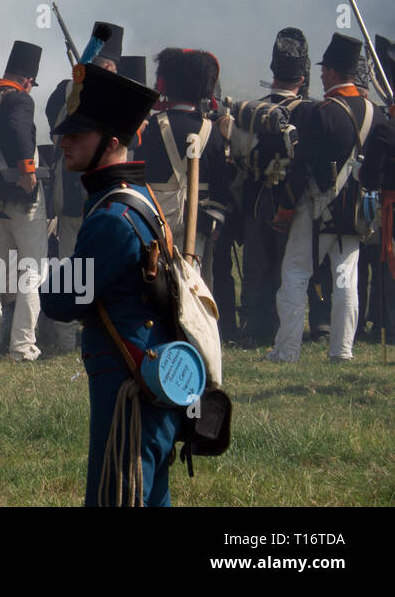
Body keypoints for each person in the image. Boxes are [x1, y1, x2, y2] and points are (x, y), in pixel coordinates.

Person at [44, 62, 182, 507]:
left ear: (113, 142)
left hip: (128, 384)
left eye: (78, 135)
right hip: (148, 374)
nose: (64, 142)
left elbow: (61, 301)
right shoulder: (137, 199)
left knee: (116, 497)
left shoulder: (111, 217)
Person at [270, 34, 376, 362]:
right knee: (346, 279)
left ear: (330, 72)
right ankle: (342, 350)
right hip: (355, 212)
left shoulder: (322, 112)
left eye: (324, 69)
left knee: (295, 274)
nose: (320, 75)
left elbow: (300, 170)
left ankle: (286, 352)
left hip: (317, 210)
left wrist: (286, 210)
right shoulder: (374, 113)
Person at [42, 23, 123, 356]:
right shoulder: (111, 92)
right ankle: (73, 336)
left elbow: (54, 130)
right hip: (98, 192)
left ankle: (69, 337)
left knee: (71, 261)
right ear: (107, 65)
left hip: (76, 191)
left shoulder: (64, 89)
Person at [226, 28, 310, 346]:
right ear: (301, 78)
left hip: (254, 198)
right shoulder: (309, 112)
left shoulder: (251, 112)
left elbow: (235, 157)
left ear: (273, 72)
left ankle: (252, 327)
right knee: (285, 269)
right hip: (291, 200)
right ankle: (279, 328)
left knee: (256, 266)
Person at [137, 49, 233, 296]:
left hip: (157, 216)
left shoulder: (152, 127)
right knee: (192, 281)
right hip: (198, 217)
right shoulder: (212, 133)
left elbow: (139, 173)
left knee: (154, 278)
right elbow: (221, 183)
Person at [0, 40, 45, 360]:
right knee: (32, 269)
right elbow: (20, 129)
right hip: (23, 198)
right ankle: (22, 346)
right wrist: (28, 170)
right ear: (28, 81)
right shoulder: (20, 99)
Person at [358, 35, 395, 343]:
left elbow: (370, 177)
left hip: (390, 207)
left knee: (387, 267)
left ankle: (387, 323)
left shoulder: (385, 129)